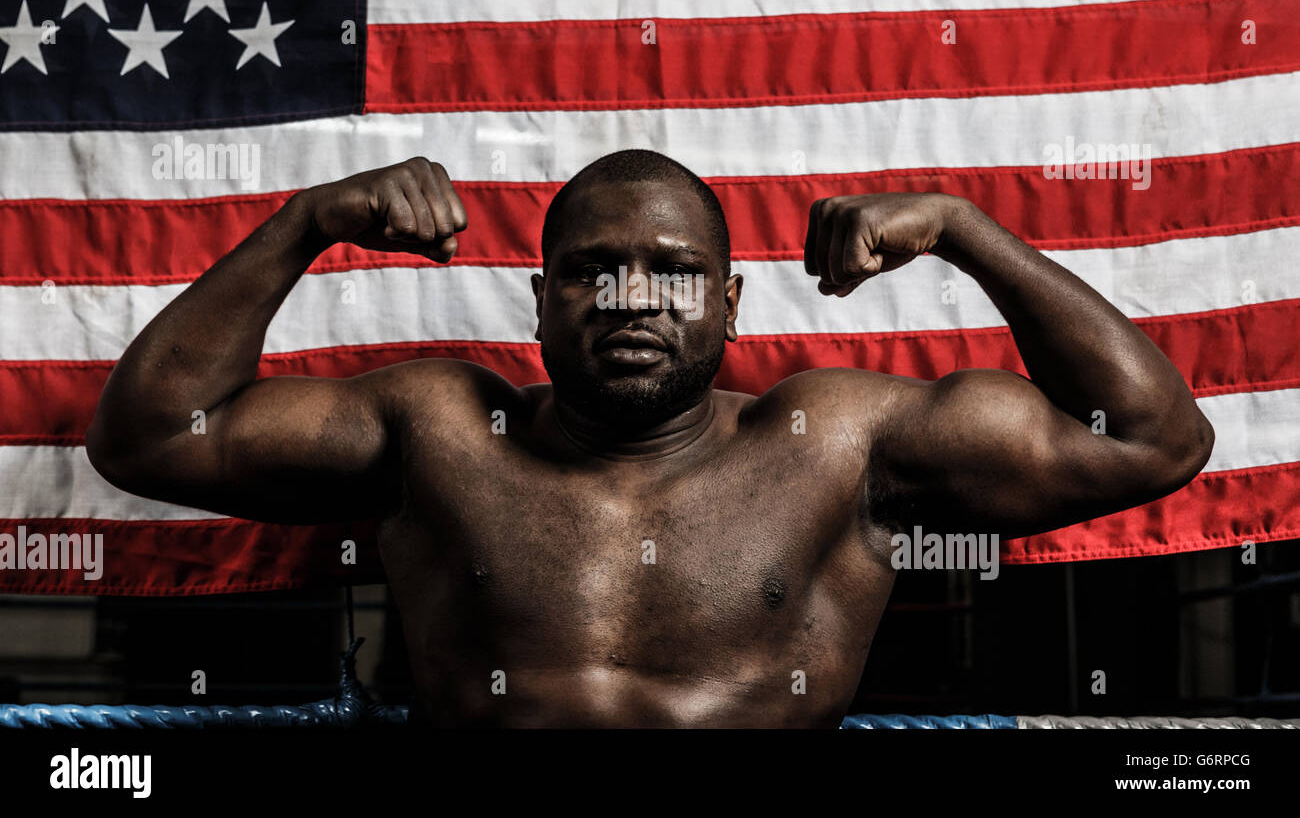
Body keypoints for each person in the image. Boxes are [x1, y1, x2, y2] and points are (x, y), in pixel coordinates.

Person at [85, 149, 1214, 727]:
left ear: (731, 304)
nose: (631, 296)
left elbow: (1151, 438)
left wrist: (968, 231)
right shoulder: (438, 426)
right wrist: (304, 222)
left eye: (673, 272)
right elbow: (147, 436)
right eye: (591, 269)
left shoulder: (839, 440)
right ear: (538, 300)